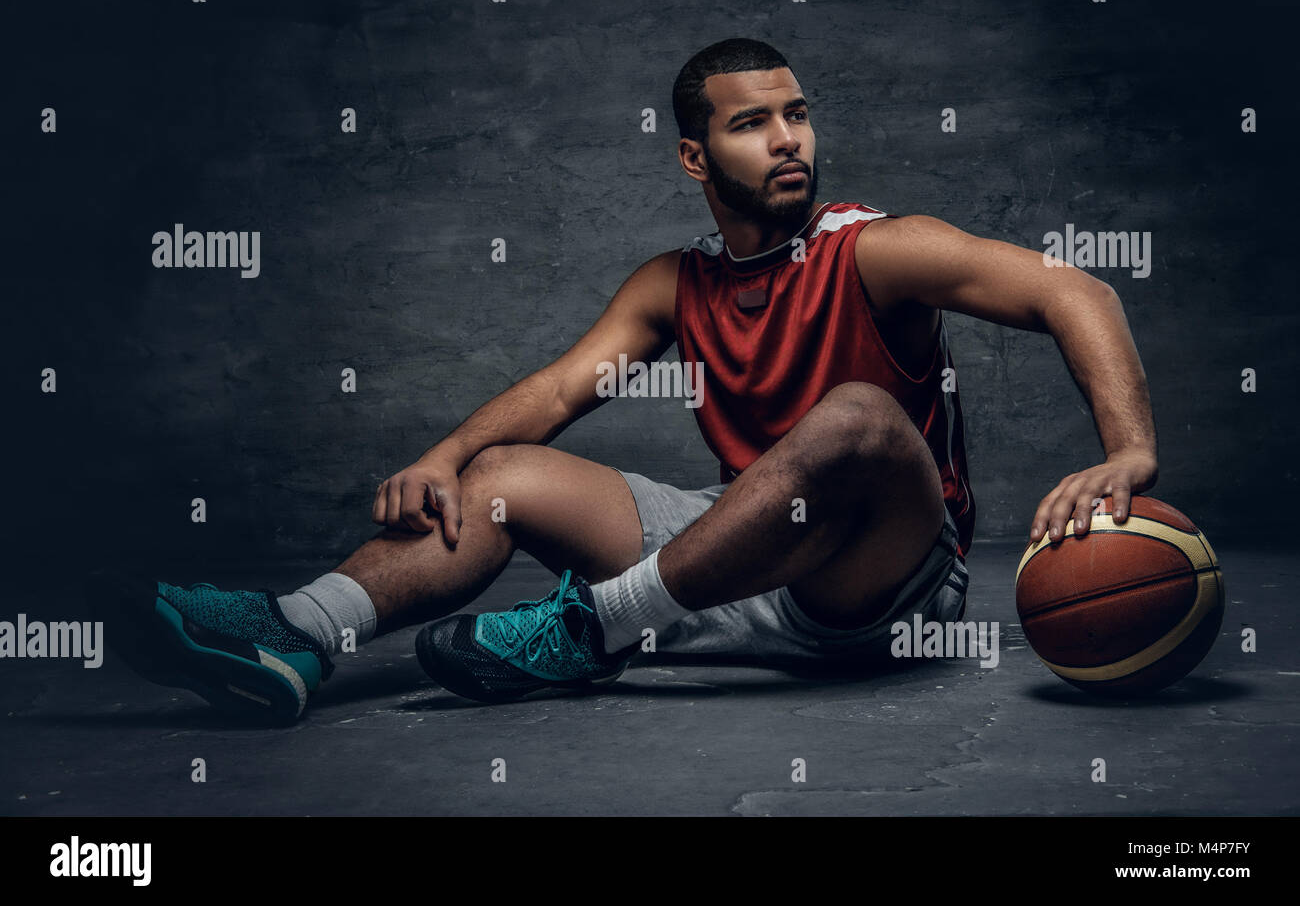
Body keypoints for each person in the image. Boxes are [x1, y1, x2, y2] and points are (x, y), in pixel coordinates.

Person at [93, 38, 1159, 721]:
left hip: (881, 582)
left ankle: (591, 628)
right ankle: (296, 633)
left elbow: (1077, 294)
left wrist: (1126, 452)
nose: (788, 139)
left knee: (863, 418)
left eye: (797, 113)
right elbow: (559, 391)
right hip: (736, 551)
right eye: (752, 122)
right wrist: (442, 456)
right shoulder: (672, 284)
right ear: (696, 158)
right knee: (508, 469)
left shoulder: (875, 248)